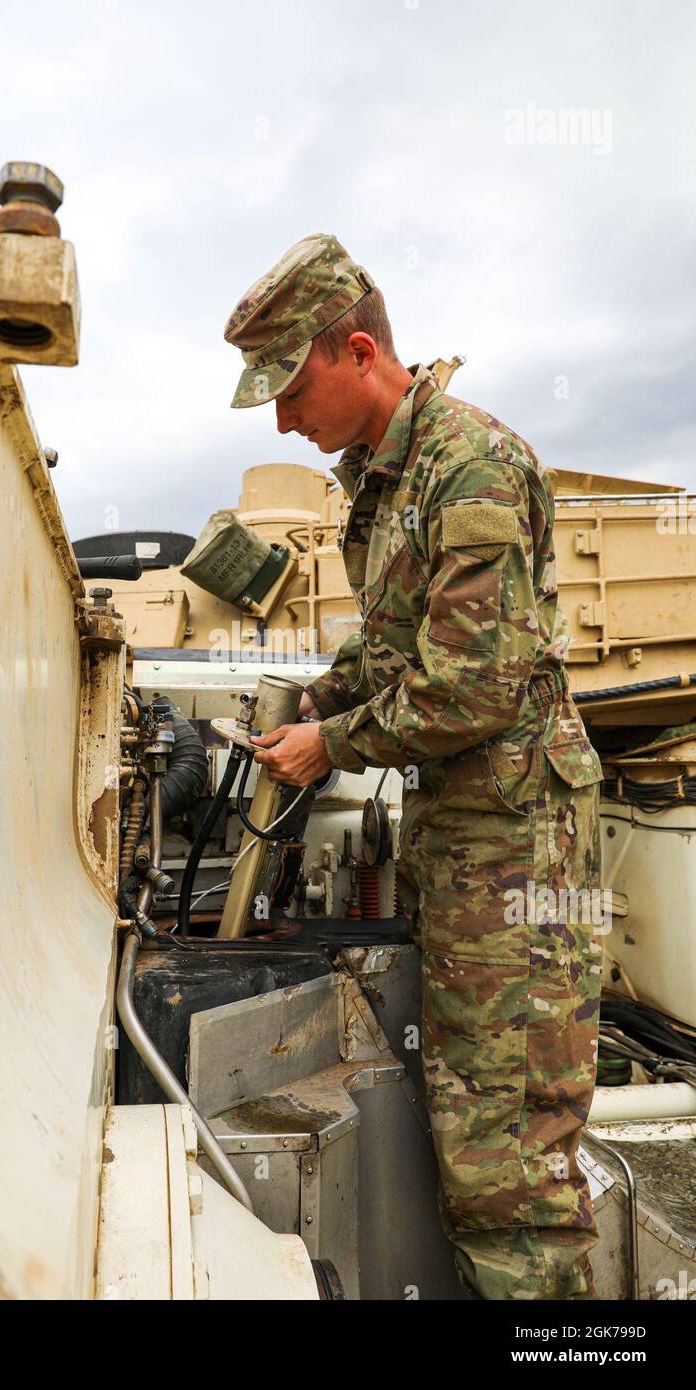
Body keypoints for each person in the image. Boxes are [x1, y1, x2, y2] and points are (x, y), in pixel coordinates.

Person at [223, 234, 605, 1300]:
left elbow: (471, 686)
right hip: (470, 838)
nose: (284, 421)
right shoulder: (388, 478)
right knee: (474, 1139)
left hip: (514, 852)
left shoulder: (467, 461)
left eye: (291, 392)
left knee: (510, 1171)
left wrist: (330, 746)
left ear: (357, 352)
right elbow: (396, 644)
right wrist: (322, 698)